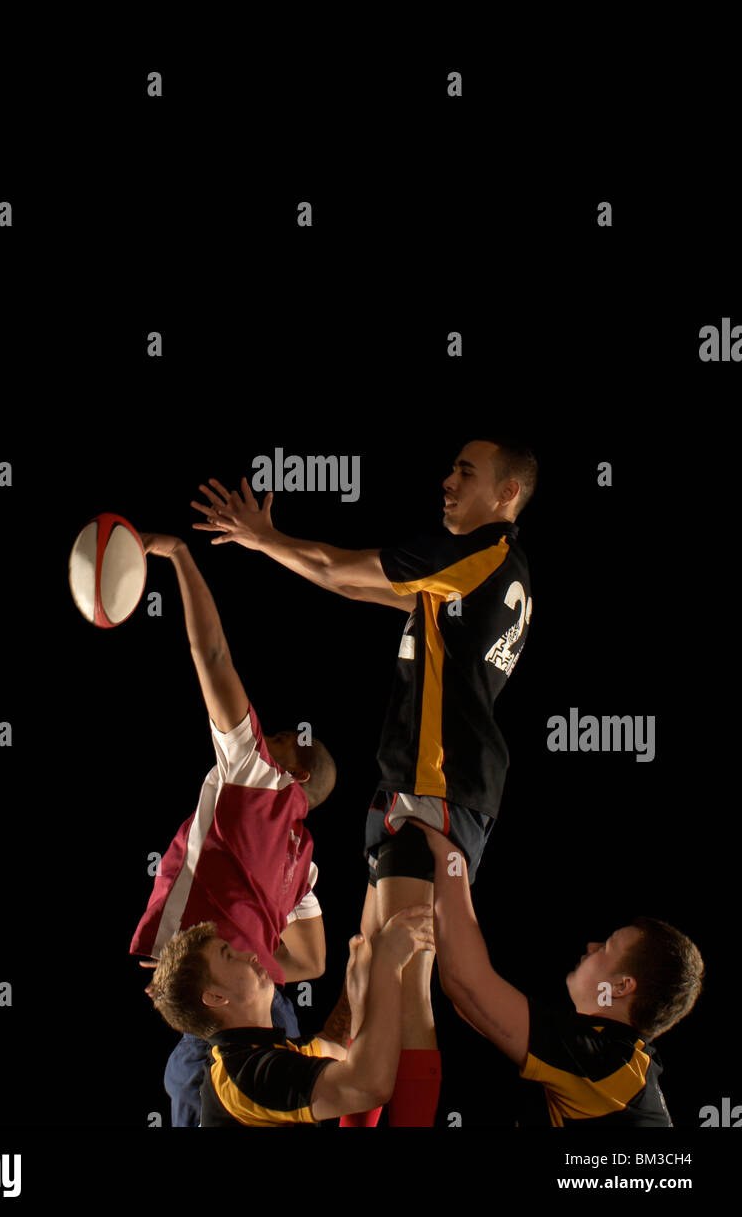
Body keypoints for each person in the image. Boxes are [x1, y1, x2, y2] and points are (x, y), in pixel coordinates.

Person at [191, 437, 537, 1126]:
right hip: (425, 793)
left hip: (436, 791)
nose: (446, 480)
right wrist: (265, 547)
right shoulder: (459, 580)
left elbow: (336, 562)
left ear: (507, 495)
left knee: (407, 986)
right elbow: (345, 581)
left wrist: (265, 536)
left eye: (464, 471)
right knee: (379, 984)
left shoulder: (481, 556)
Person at [130, 532, 337, 1125]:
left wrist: (179, 556)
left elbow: (213, 655)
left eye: (272, 740)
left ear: (292, 769)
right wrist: (234, 963)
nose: (259, 740)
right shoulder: (304, 860)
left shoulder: (256, 781)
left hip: (227, 1034)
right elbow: (312, 962)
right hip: (270, 1025)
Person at [415, 819, 704, 1126]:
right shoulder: (619, 1060)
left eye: (606, 946)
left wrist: (449, 841)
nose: (592, 946)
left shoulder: (609, 1065)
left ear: (621, 987)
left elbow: (468, 985)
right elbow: (471, 1006)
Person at [145, 906, 433, 1126]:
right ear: (216, 998)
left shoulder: (256, 1055)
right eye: (229, 956)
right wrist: (386, 964)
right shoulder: (245, 1076)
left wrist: (355, 992)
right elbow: (368, 1086)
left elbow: (339, 1051)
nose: (251, 955)